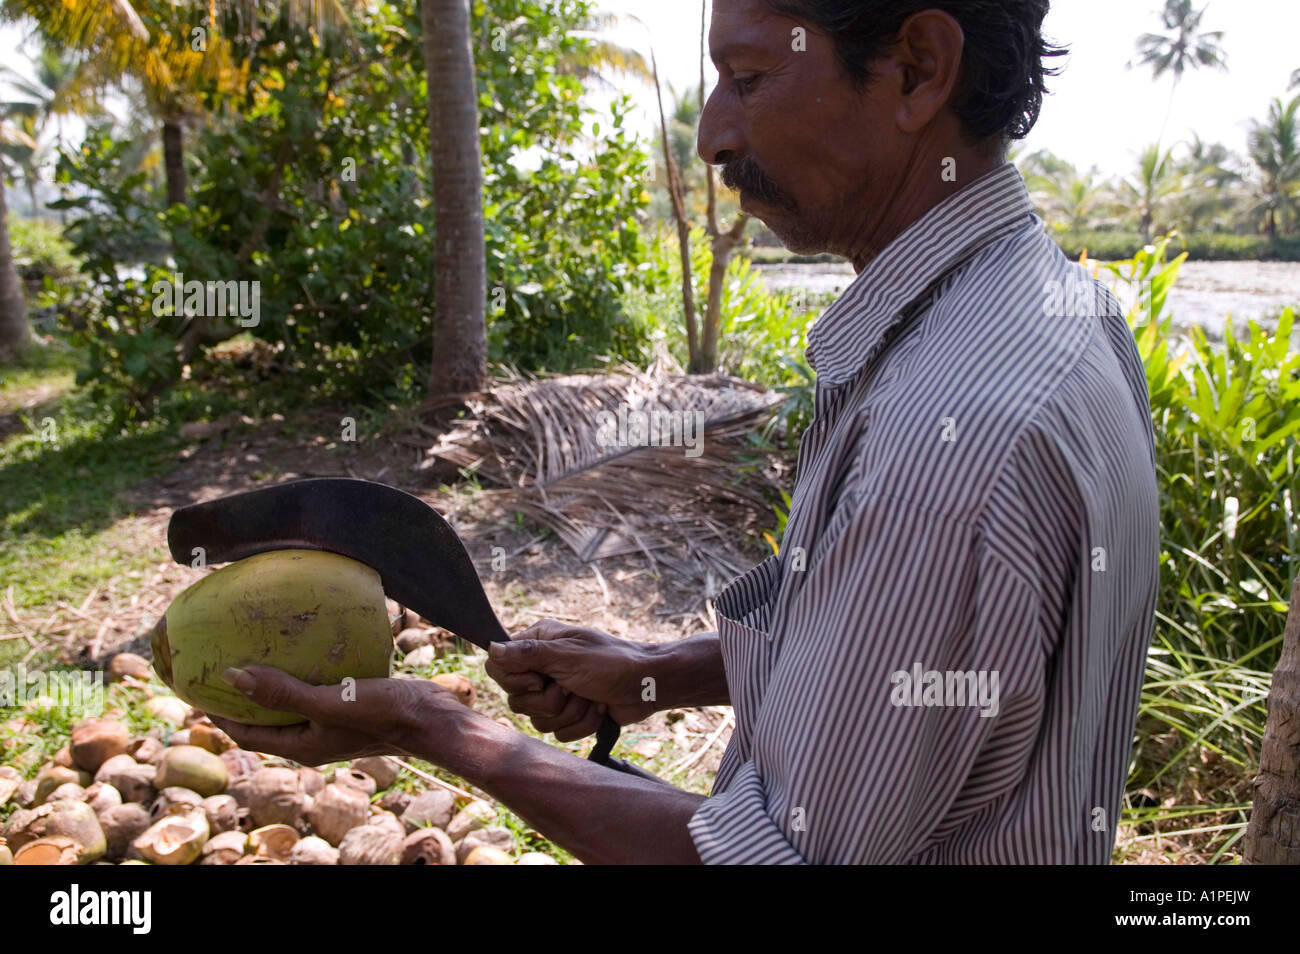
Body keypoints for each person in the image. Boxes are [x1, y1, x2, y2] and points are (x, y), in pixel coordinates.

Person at [209, 0, 1160, 865]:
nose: (712, 133)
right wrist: (657, 674)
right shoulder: (1065, 315)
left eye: (748, 80)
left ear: (917, 68)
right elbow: (915, 672)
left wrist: (437, 728)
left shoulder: (949, 438)